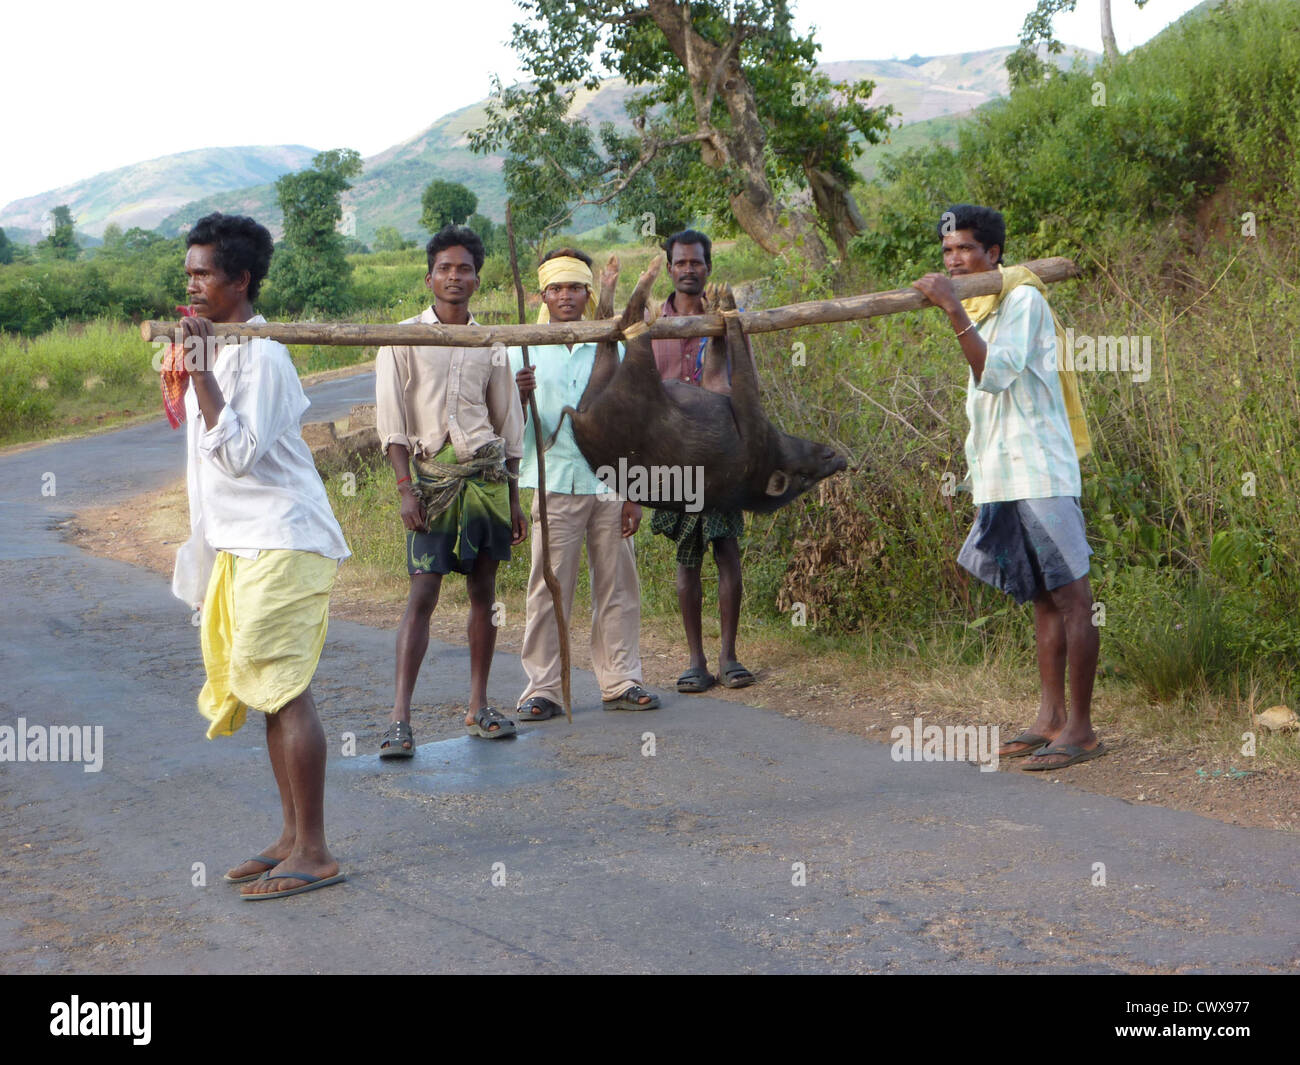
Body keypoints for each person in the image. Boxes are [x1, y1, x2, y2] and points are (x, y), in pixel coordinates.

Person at [170, 212, 351, 899]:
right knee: (269, 694)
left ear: (240, 279)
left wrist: (203, 376)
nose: (191, 284)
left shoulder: (266, 355)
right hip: (241, 544)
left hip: (284, 537)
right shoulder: (212, 348)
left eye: (204, 273)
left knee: (285, 688)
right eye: (188, 272)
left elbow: (240, 456)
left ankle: (316, 849)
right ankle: (289, 835)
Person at [912, 204, 1104, 770]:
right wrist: (959, 306)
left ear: (994, 254)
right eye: (947, 252)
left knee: (1074, 600)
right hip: (1000, 476)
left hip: (1040, 470)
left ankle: (1083, 728)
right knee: (1043, 599)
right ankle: (1048, 720)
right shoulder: (982, 306)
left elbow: (993, 374)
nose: (955, 260)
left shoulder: (1021, 300)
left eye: (966, 249)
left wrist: (950, 308)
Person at [374, 225, 526, 755]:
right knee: (423, 593)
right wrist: (404, 488)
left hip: (486, 478)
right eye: (445, 268)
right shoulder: (402, 338)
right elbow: (392, 420)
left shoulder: (493, 342)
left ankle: (479, 706)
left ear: (477, 279)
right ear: (429, 277)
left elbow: (509, 423)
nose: (454, 277)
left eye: (464, 269)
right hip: (432, 479)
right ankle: (400, 720)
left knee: (484, 595)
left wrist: (515, 497)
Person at [509, 248, 660, 720]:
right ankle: (544, 688)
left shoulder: (612, 345)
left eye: (575, 287)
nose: (566, 296)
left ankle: (621, 679)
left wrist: (634, 489)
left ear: (589, 292)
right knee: (548, 587)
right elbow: (509, 425)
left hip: (610, 483)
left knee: (617, 585)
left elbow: (634, 418)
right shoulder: (523, 347)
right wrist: (519, 392)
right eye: (556, 288)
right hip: (553, 480)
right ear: (543, 295)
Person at [647, 229, 754, 693]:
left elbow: (746, 378)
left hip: (720, 449)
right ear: (669, 268)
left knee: (726, 547)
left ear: (708, 267)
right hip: (672, 451)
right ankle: (696, 660)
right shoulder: (651, 321)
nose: (689, 269)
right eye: (680, 262)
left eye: (697, 262)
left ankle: (730, 656)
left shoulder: (728, 316)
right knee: (686, 557)